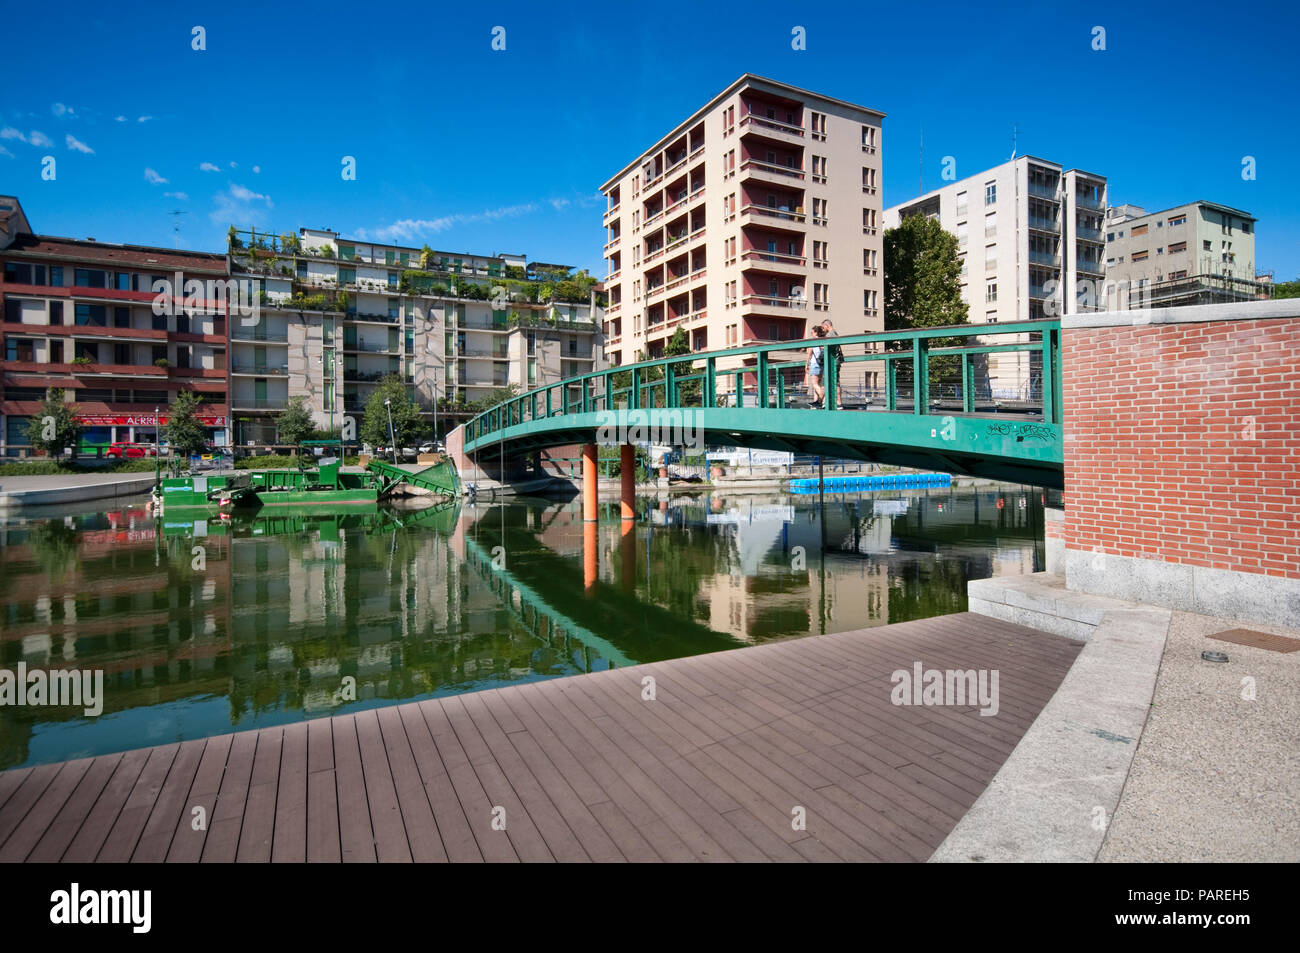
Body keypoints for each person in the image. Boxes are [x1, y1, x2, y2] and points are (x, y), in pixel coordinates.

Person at [820, 319, 843, 409]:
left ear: (826, 325)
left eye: (823, 327)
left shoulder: (830, 335)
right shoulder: (835, 333)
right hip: (836, 361)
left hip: (832, 362)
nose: (822, 329)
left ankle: (820, 401)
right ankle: (837, 402)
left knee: (825, 382)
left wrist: (822, 347)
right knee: (835, 382)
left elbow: (827, 348)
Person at [806, 325, 826, 407]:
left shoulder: (813, 341)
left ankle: (824, 401)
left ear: (816, 333)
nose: (811, 334)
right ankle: (816, 402)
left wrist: (806, 364)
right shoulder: (823, 340)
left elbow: (809, 354)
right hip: (822, 364)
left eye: (812, 332)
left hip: (815, 364)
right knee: (819, 384)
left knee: (814, 383)